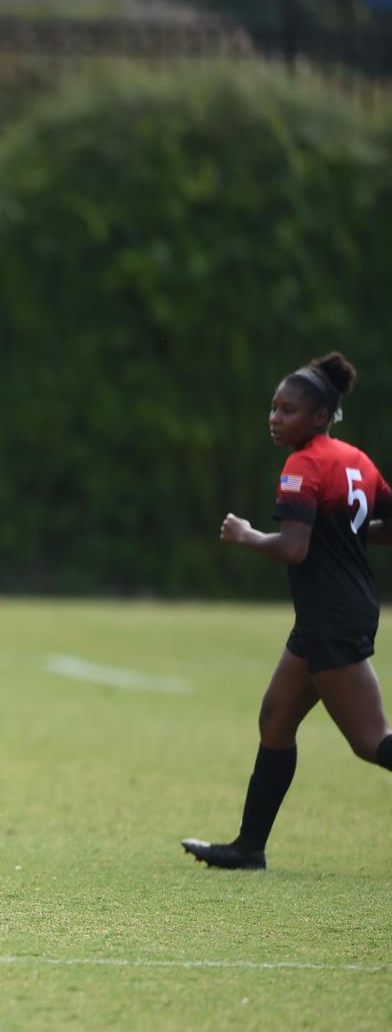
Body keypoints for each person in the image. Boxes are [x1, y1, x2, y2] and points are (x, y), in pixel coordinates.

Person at [185, 353, 392, 870]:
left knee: (371, 743)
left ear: (319, 416)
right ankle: (249, 847)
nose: (276, 418)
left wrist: (247, 534)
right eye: (274, 408)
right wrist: (348, 536)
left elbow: (294, 548)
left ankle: (249, 845)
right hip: (334, 614)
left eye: (289, 410)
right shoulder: (357, 460)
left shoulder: (305, 463)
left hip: (331, 617)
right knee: (275, 721)